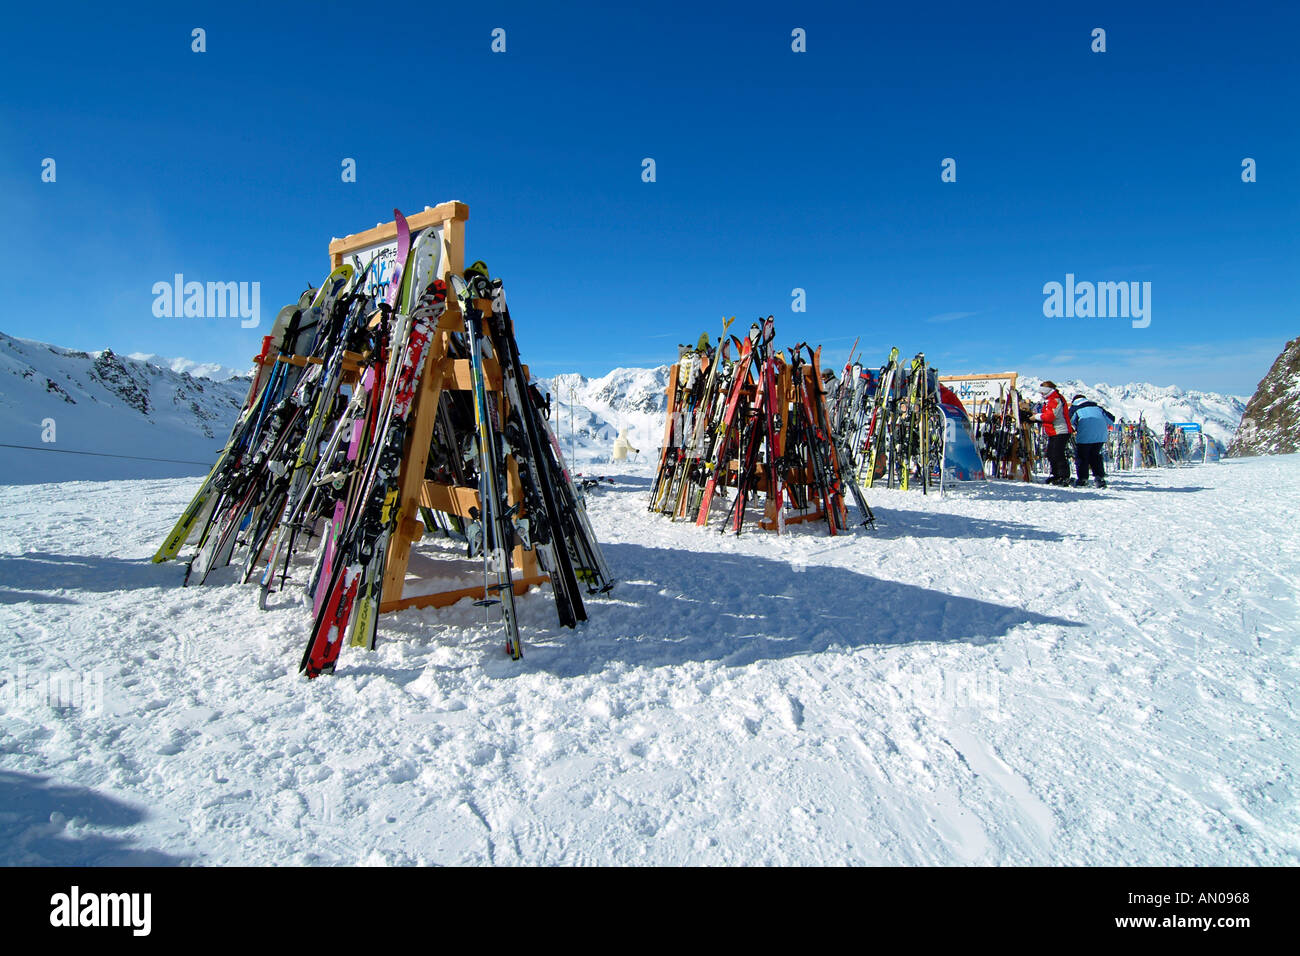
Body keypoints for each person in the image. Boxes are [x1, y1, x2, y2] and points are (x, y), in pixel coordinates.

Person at [1029, 380, 1073, 485]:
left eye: (1042, 392)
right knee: (1051, 454)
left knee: (1057, 454)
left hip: (1060, 430)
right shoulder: (1050, 400)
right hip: (1054, 431)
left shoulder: (1055, 400)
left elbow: (1050, 416)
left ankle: (1063, 476)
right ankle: (1056, 475)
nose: (1041, 395)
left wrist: (1036, 417)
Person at [1070, 393, 1115, 487]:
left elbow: (1069, 421)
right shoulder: (1097, 407)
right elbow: (1111, 419)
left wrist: (1074, 428)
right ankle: (1099, 477)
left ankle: (1083, 479)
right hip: (1100, 435)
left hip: (1085, 435)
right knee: (1095, 455)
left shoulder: (1075, 408)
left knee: (1082, 456)